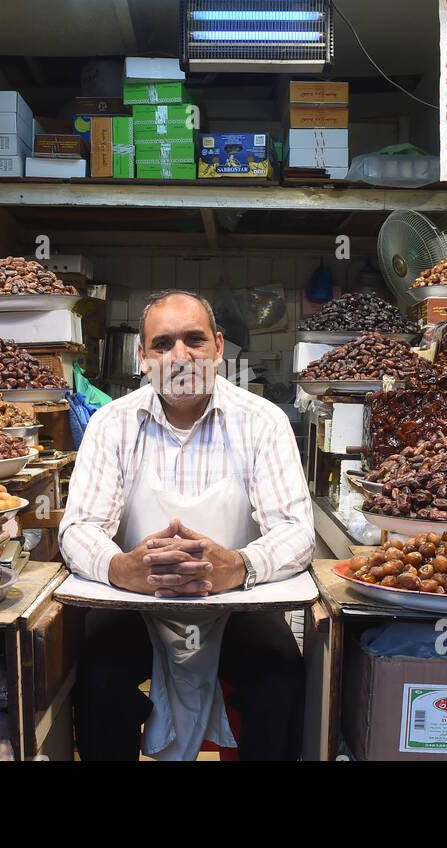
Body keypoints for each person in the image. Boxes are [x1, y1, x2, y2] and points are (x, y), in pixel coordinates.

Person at [60, 289, 314, 761]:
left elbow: (297, 531)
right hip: (136, 602)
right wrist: (120, 568)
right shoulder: (111, 424)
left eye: (194, 340)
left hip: (236, 602)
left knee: (279, 678)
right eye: (162, 343)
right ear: (142, 356)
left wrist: (238, 565)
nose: (179, 356)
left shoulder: (263, 422)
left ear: (219, 348)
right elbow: (77, 529)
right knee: (100, 680)